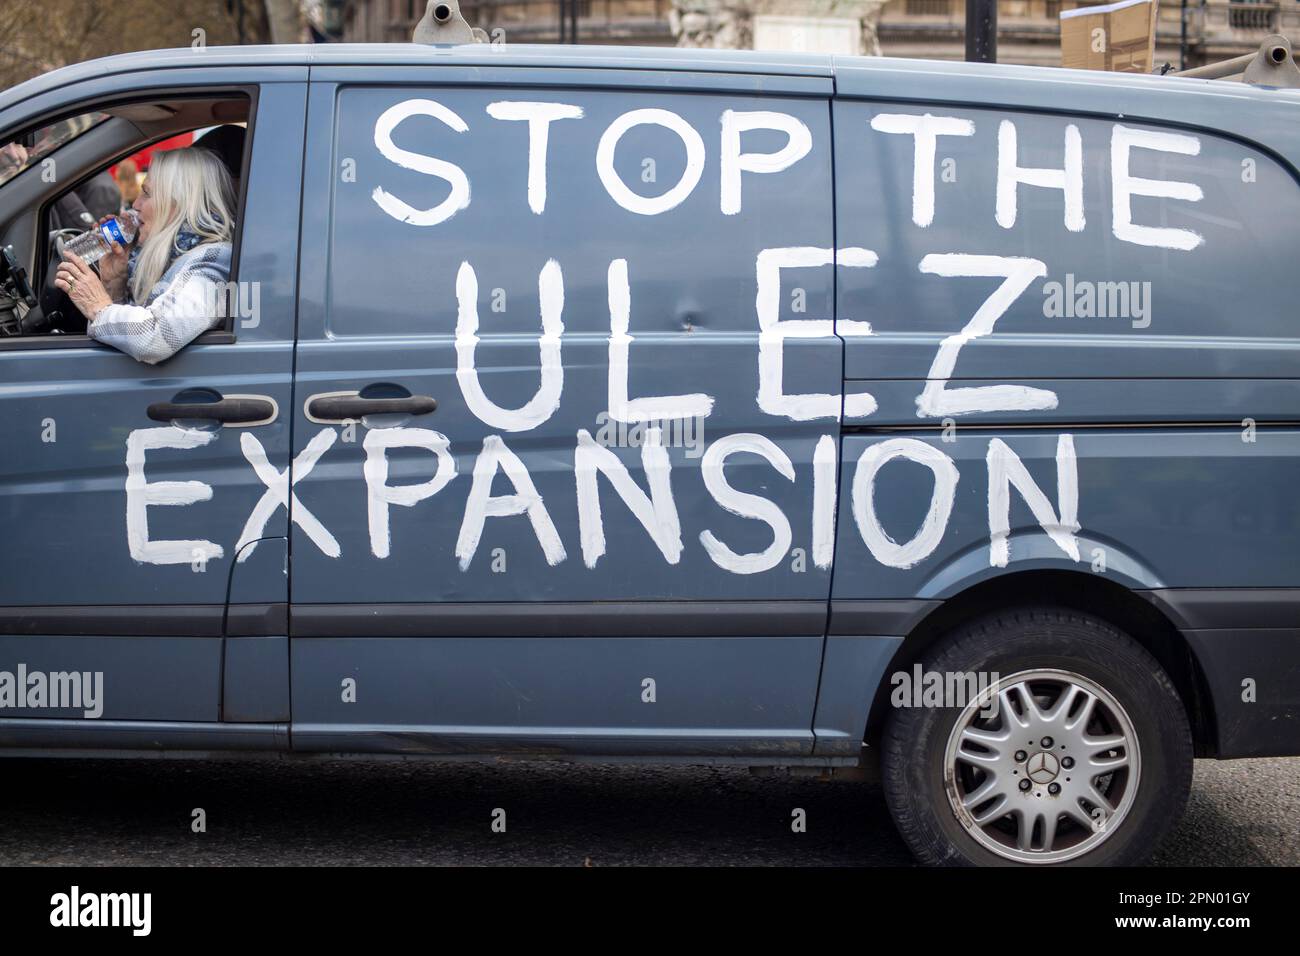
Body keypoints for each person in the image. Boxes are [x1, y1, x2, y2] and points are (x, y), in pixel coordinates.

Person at [54, 147, 235, 364]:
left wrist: (98, 305)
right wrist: (115, 285)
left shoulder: (214, 258)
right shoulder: (170, 256)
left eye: (147, 194)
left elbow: (156, 337)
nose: (136, 204)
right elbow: (125, 346)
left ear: (181, 203)